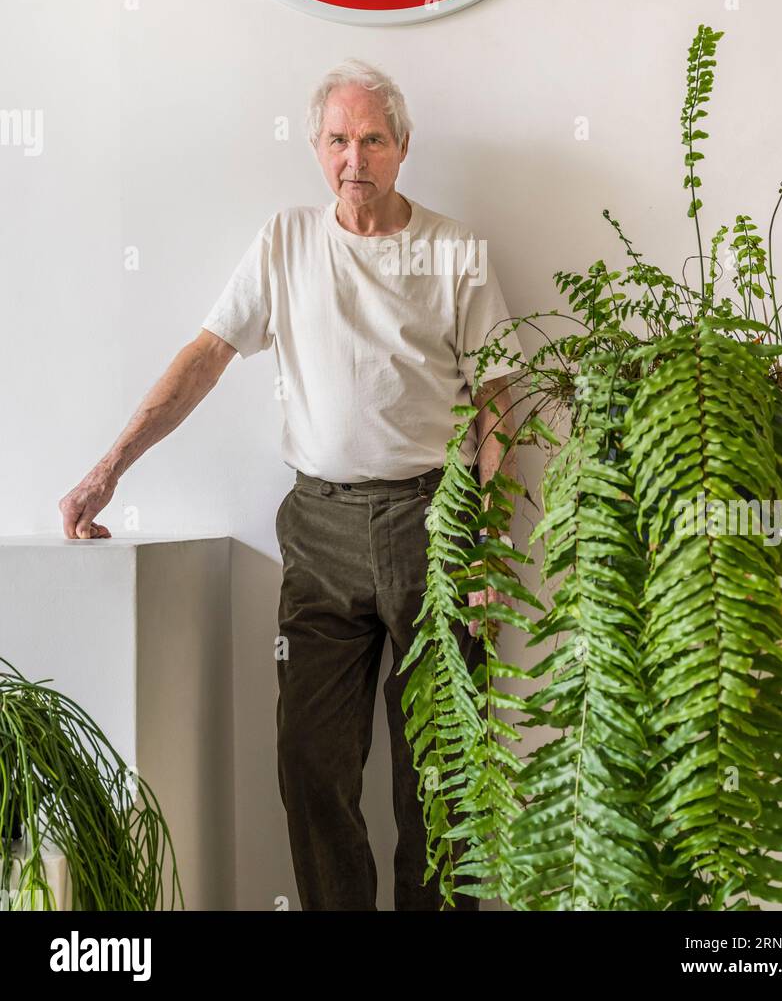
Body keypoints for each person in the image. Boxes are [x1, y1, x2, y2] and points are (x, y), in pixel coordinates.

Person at [58, 57, 526, 911]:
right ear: (316, 148)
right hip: (320, 529)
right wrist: (108, 470)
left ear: (403, 147)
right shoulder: (285, 241)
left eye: (374, 139)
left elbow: (500, 401)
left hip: (438, 522)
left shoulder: (456, 249)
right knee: (311, 766)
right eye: (340, 139)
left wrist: (490, 541)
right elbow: (204, 359)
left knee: (445, 776)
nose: (357, 158)